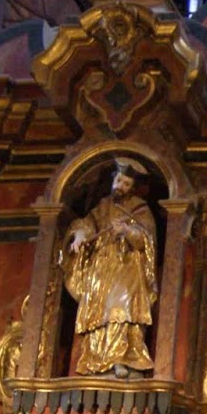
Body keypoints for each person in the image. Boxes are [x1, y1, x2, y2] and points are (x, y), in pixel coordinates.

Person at [62, 159, 157, 377]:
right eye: (119, 181)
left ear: (132, 188)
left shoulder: (140, 210)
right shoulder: (103, 206)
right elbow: (87, 224)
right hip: (102, 267)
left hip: (127, 268)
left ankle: (121, 358)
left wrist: (126, 230)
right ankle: (97, 359)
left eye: (126, 184)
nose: (120, 186)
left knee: (122, 309)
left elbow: (147, 240)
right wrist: (79, 236)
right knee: (99, 311)